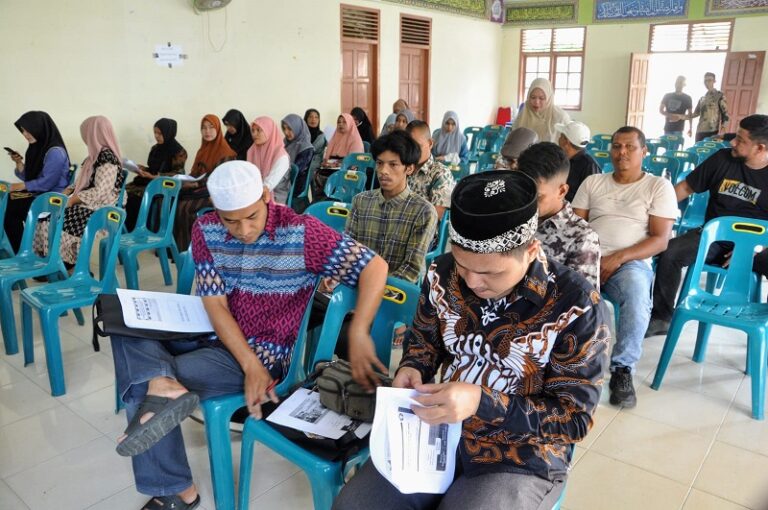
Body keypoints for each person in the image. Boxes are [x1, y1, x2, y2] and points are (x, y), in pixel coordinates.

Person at [110, 160, 388, 510]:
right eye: (231, 220)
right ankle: (162, 383)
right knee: (121, 322)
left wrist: (360, 329)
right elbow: (216, 306)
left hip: (263, 354)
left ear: (267, 197)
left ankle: (177, 490)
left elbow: (374, 266)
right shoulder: (206, 228)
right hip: (211, 333)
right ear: (216, 211)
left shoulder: (301, 232)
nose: (242, 229)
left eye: (252, 216)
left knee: (140, 381)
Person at [334, 171, 609, 510]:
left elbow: (573, 418)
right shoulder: (442, 273)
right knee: (356, 506)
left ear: (531, 250)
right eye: (464, 266)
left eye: (491, 273)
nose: (474, 282)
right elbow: (425, 340)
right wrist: (412, 366)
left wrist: (482, 402)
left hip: (521, 454)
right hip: (436, 432)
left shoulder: (576, 304)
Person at [572, 126, 678, 408]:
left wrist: (617, 258)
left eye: (630, 147)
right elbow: (573, 227)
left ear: (644, 151)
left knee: (636, 294)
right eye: (617, 146)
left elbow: (660, 240)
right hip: (588, 258)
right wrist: (589, 258)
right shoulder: (593, 182)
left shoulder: (657, 186)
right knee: (564, 289)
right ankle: (572, 362)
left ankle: (622, 369)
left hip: (629, 263)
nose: (622, 152)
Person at [646, 114, 768, 338]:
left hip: (757, 247)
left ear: (760, 148)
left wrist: (753, 248)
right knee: (670, 252)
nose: (732, 142)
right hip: (713, 240)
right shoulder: (723, 159)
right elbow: (684, 189)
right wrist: (654, 212)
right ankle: (662, 317)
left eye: (741, 140)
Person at [346, 130, 438, 284]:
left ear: (409, 168)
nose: (383, 171)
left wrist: (373, 290)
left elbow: (411, 269)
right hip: (358, 285)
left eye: (393, 164)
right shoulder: (360, 202)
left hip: (397, 294)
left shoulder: (423, 212)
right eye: (380, 163)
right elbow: (349, 251)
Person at [33, 116, 126, 266]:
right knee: (46, 216)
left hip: (102, 206)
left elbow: (100, 192)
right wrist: (62, 196)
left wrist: (72, 200)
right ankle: (50, 260)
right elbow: (78, 184)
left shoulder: (107, 158)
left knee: (58, 219)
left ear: (93, 134)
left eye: (85, 134)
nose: (84, 138)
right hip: (86, 201)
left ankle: (69, 263)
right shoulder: (92, 158)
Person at [517, 142, 600, 289]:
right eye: (523, 192)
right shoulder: (512, 218)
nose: (528, 202)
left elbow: (581, 302)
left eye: (538, 196)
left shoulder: (581, 237)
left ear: (562, 191)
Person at [5, 111, 70, 254]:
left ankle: (22, 254)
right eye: (23, 131)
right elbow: (30, 176)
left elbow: (47, 183)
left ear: (40, 128)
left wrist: (21, 186)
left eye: (29, 130)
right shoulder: (37, 148)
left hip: (51, 199)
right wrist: (19, 162)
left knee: (9, 209)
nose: (25, 135)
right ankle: (21, 251)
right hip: (38, 194)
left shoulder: (55, 152)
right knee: (5, 203)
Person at [173, 114, 236, 251]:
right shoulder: (203, 150)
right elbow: (195, 173)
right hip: (200, 189)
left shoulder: (226, 153)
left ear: (218, 129)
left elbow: (219, 179)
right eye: (204, 128)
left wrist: (196, 184)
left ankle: (192, 249)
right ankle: (175, 249)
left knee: (184, 207)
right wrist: (187, 179)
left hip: (215, 194)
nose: (207, 131)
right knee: (173, 201)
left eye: (211, 127)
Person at [124, 118, 187, 232]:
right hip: (150, 181)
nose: (157, 136)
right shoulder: (155, 148)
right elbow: (153, 169)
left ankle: (136, 230)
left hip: (166, 186)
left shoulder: (179, 152)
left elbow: (178, 174)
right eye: (155, 133)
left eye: (160, 133)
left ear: (169, 133)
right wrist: (139, 168)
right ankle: (124, 229)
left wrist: (155, 177)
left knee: (136, 198)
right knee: (125, 191)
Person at [405, 120, 454, 221]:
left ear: (430, 143)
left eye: (418, 146)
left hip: (425, 232)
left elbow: (437, 216)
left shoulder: (440, 173)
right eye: (408, 147)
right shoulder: (403, 169)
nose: (413, 151)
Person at [313, 113, 364, 200]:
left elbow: (354, 163)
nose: (341, 124)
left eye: (344, 122)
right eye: (339, 122)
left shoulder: (355, 140)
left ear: (350, 123)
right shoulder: (335, 136)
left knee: (330, 182)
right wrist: (326, 163)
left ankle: (329, 202)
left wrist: (338, 165)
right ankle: (322, 202)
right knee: (317, 173)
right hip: (332, 169)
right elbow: (327, 157)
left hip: (348, 171)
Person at [247, 116, 291, 204]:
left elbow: (269, 184)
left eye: (259, 130)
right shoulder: (252, 151)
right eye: (253, 130)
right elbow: (248, 176)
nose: (254, 134)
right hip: (256, 194)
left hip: (275, 197)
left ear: (269, 131)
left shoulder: (281, 156)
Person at [512, 77, 570, 143]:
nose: (536, 102)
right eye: (533, 97)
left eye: (541, 98)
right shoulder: (523, 115)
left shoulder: (561, 118)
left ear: (549, 98)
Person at [555, 121, 601, 202]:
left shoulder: (589, 165)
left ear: (566, 142)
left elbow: (593, 199)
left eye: (561, 136)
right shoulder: (562, 159)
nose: (558, 139)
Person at [281, 113, 315, 210]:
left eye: (290, 129)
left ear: (297, 128)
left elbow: (296, 171)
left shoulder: (306, 147)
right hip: (286, 180)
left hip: (296, 185)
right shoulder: (286, 143)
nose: (286, 132)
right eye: (284, 129)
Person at [689, 72, 729, 142]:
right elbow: (695, 114)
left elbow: (725, 115)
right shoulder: (702, 99)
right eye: (705, 81)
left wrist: (723, 129)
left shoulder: (719, 95)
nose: (707, 83)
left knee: (710, 151)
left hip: (712, 131)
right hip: (700, 131)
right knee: (698, 151)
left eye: (709, 80)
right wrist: (680, 117)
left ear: (714, 81)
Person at [304, 108, 327, 189]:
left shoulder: (322, 136)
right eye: (310, 117)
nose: (313, 119)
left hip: (316, 169)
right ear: (306, 119)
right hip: (302, 168)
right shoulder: (302, 135)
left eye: (316, 117)